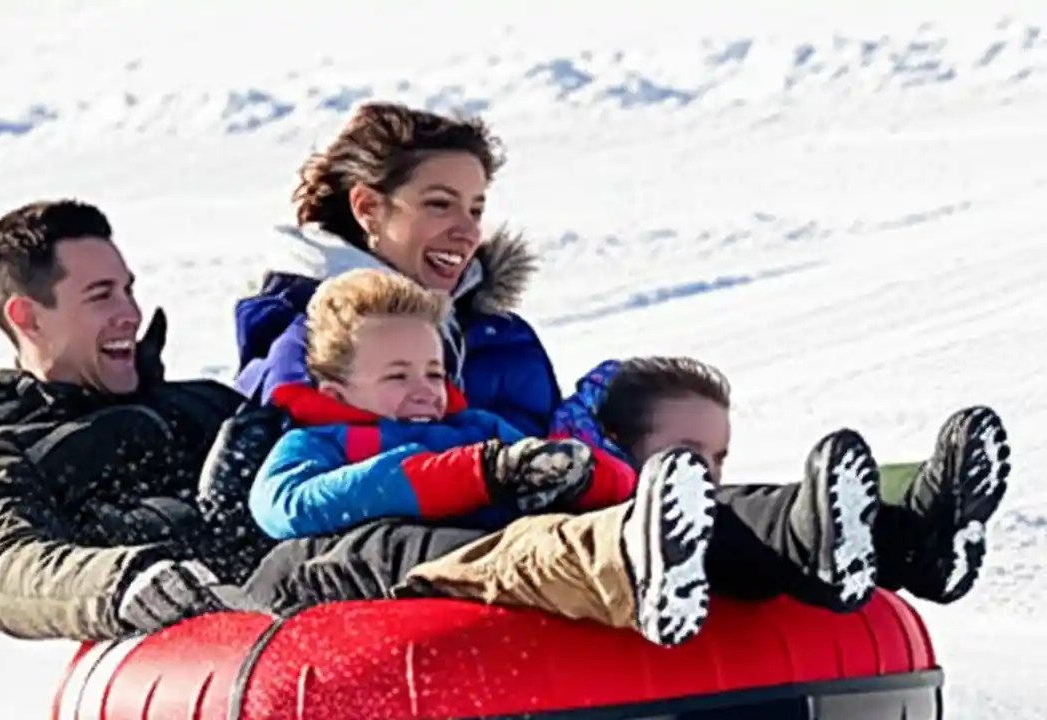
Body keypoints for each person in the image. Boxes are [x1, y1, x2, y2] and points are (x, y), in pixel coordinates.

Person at [246, 268, 719, 646]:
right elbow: (284, 505)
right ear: (336, 392)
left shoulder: (476, 428)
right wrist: (463, 475)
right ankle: (631, 569)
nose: (424, 391)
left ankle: (754, 536)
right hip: (433, 572)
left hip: (522, 548)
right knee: (527, 546)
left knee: (676, 510)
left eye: (434, 373)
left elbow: (582, 474)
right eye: (397, 376)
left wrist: (582, 474)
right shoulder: (317, 443)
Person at [0, 199, 271, 642]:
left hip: (314, 609)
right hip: (192, 658)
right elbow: (6, 565)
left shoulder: (207, 404)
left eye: (128, 290)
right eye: (101, 295)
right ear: (28, 317)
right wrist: (119, 581)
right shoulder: (3, 453)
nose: (131, 314)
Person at [550, 357, 1014, 608]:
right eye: (689, 453)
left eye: (719, 456)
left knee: (750, 507)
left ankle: (919, 537)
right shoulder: (576, 506)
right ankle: (807, 536)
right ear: (613, 441)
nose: (709, 470)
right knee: (728, 517)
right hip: (630, 559)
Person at [231, 101, 559, 436]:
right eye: (440, 204)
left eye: (475, 210)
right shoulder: (318, 342)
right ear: (368, 207)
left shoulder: (499, 335)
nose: (468, 232)